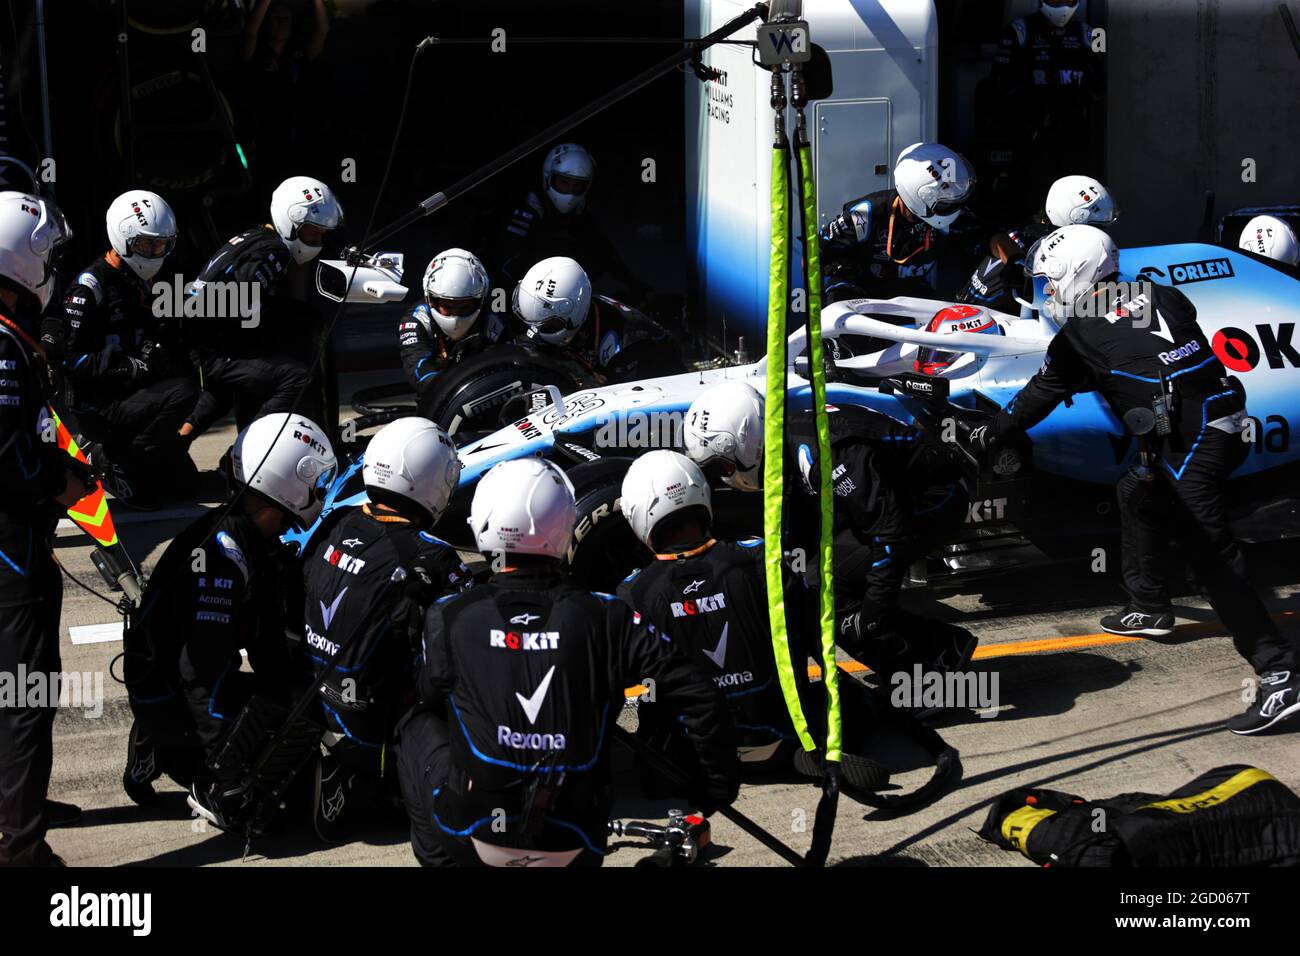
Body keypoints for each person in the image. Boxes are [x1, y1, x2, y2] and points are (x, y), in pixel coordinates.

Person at [965, 224, 1300, 734]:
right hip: (1222, 418)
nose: (1049, 293)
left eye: (1052, 283)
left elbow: (1038, 396)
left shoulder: (1080, 334)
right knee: (1138, 490)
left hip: (1193, 441)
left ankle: (1280, 674)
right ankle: (1149, 605)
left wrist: (990, 433)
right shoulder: (1164, 294)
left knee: (1212, 559)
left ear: (1078, 274)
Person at [395, 457, 738, 866]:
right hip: (577, 842)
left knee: (414, 723)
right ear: (564, 526)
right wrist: (715, 786)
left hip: (468, 839)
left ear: (483, 523)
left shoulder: (448, 614)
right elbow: (698, 691)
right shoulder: (608, 615)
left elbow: (432, 693)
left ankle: (440, 859)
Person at [616, 450, 893, 791]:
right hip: (780, 734)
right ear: (702, 495)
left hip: (690, 751)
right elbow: (815, 635)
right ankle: (809, 744)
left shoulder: (632, 594)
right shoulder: (760, 559)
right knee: (856, 698)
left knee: (647, 729)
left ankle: (681, 761)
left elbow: (614, 680)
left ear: (636, 516)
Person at [682, 380, 978, 686]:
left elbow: (890, 532)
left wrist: (872, 614)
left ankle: (929, 669)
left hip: (935, 498)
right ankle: (940, 646)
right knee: (809, 583)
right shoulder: (788, 440)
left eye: (721, 467)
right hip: (893, 502)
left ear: (742, 442)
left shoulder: (824, 452)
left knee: (822, 591)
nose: (723, 476)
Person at [121, 413, 338, 825]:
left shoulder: (254, 539)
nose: (318, 488)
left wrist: (299, 693)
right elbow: (200, 671)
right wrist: (227, 765)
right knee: (276, 807)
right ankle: (172, 748)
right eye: (313, 477)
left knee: (300, 709)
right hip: (170, 694)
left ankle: (164, 742)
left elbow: (266, 640)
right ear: (288, 479)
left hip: (171, 682)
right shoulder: (223, 556)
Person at [299, 417, 474, 841]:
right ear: (429, 481)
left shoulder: (334, 522)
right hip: (379, 726)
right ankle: (372, 782)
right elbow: (480, 623)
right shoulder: (430, 556)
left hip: (313, 695)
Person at [0, 191, 90, 866]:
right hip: (10, 544)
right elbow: (4, 450)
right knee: (25, 693)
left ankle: (16, 804)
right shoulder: (4, 345)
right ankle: (22, 844)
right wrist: (57, 480)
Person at [51, 189, 199, 507]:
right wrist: (125, 364)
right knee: (183, 391)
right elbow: (66, 361)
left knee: (186, 488)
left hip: (132, 397)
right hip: (98, 406)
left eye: (162, 244)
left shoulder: (139, 280)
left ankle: (144, 456)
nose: (156, 252)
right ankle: (109, 455)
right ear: (124, 238)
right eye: (148, 245)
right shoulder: (90, 287)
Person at [179, 176, 343, 438]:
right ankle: (250, 450)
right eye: (313, 230)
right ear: (292, 224)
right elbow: (239, 302)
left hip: (199, 343)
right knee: (297, 377)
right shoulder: (273, 251)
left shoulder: (255, 237)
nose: (319, 237)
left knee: (224, 391)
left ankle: (178, 442)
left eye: (322, 232)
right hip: (208, 349)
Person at [980, 1, 1104, 220]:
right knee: (1032, 193)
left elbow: (1103, 80)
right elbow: (998, 82)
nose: (1063, 6)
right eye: (1056, 0)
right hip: (1032, 131)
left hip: (1074, 131)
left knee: (1077, 190)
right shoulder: (1019, 30)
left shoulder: (1092, 33)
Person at [480, 143, 650, 301]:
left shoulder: (577, 207)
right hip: (501, 275)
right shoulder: (527, 207)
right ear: (548, 177)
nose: (570, 191)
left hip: (538, 274)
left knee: (589, 253)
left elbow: (601, 248)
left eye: (577, 186)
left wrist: (631, 282)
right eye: (564, 182)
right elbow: (503, 263)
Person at [820, 142, 982, 303]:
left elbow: (989, 236)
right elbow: (816, 250)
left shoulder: (952, 215)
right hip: (856, 291)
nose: (953, 206)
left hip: (906, 292)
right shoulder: (866, 213)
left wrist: (1008, 261)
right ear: (919, 197)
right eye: (945, 201)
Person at [957, 175, 1118, 315]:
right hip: (988, 323)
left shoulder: (1030, 231)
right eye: (1097, 227)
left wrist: (1015, 261)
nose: (1099, 234)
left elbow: (997, 240)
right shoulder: (1052, 253)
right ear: (1076, 218)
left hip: (965, 309)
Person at [510, 255, 681, 383]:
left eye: (547, 324)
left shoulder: (630, 343)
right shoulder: (570, 314)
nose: (536, 329)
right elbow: (528, 346)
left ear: (572, 314)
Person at [397, 248, 503, 403]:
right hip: (441, 403)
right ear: (431, 299)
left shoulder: (493, 319)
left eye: (464, 307)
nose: (455, 316)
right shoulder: (415, 321)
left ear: (478, 301)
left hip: (489, 396)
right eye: (447, 306)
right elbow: (418, 368)